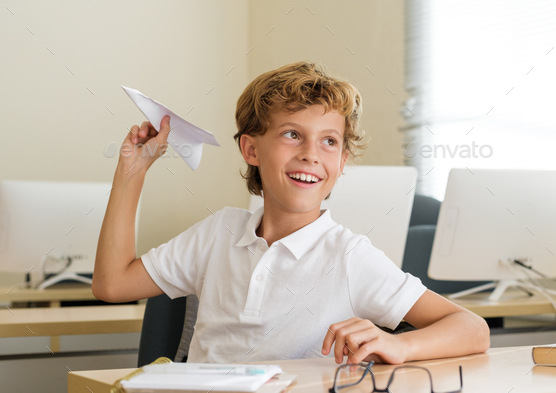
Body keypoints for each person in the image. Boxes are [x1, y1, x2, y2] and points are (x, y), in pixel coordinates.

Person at [93, 61, 490, 365]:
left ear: (342, 161)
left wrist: (397, 344)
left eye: (329, 141)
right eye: (292, 134)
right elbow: (111, 285)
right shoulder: (218, 233)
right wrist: (132, 171)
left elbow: (472, 329)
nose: (310, 154)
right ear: (251, 150)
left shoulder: (348, 256)